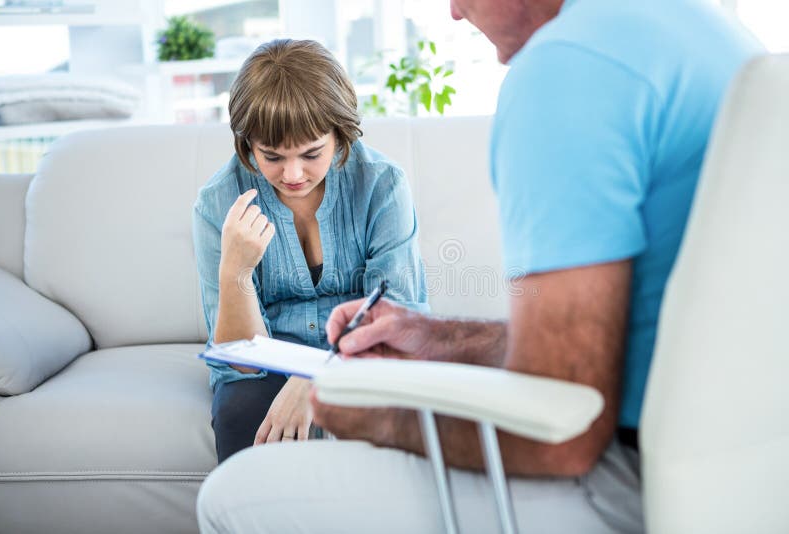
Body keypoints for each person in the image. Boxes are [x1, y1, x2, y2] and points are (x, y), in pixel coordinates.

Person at [196, 1, 763, 532]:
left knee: (226, 499)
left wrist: (376, 419)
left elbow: (564, 430)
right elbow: (601, 345)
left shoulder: (563, 70)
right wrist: (439, 337)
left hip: (632, 473)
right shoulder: (696, 22)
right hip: (739, 460)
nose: (454, 10)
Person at [192, 38, 428, 464]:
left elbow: (398, 317)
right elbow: (239, 362)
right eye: (272, 156)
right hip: (268, 367)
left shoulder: (382, 185)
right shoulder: (218, 202)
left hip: (364, 356)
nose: (293, 174)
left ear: (340, 134)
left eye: (312, 153)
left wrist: (318, 373)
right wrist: (236, 273)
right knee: (239, 412)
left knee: (398, 408)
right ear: (248, 144)